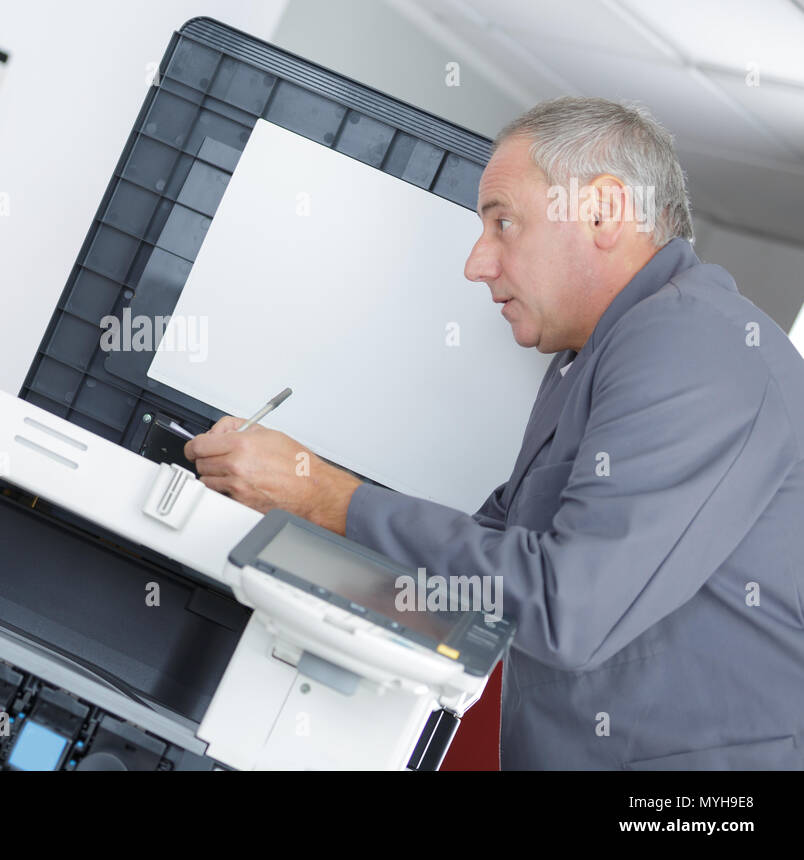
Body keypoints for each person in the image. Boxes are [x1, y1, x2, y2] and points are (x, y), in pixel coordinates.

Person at [185, 97, 804, 769]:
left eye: (503, 222)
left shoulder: (694, 343)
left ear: (602, 211)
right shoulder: (591, 358)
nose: (477, 264)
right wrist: (292, 508)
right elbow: (490, 562)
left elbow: (567, 608)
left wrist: (323, 498)